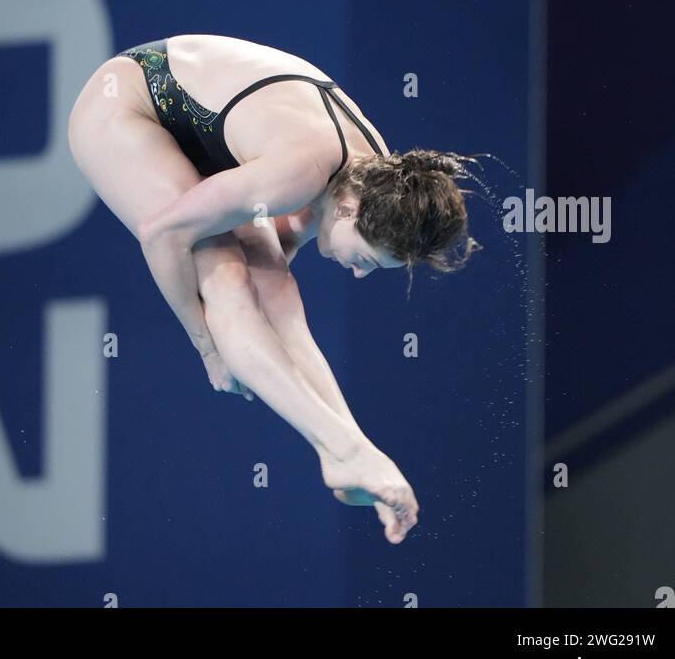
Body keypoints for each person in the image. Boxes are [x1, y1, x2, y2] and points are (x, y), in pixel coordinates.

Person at [68, 33, 480, 544]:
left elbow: (274, 262)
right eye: (368, 260)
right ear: (349, 211)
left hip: (198, 127)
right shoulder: (302, 173)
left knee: (275, 288)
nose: (358, 273)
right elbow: (162, 233)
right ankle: (346, 452)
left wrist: (251, 331)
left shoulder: (372, 176)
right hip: (124, 104)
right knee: (227, 278)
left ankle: (346, 449)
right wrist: (208, 345)